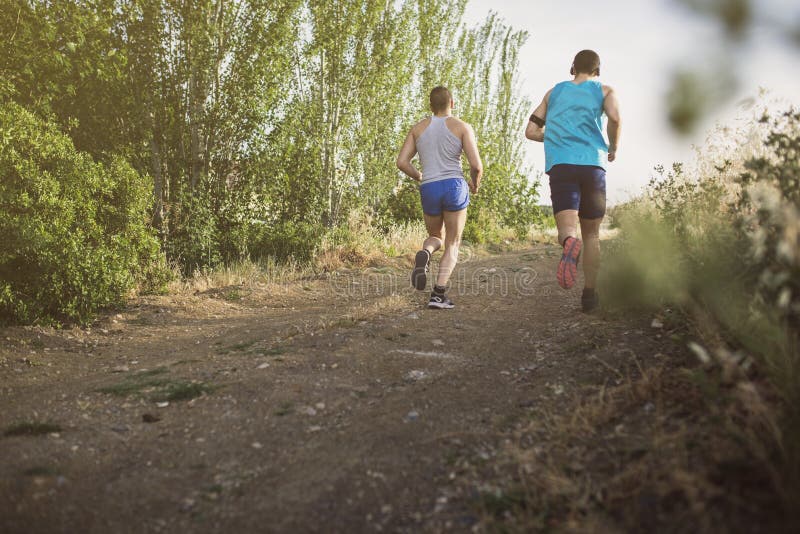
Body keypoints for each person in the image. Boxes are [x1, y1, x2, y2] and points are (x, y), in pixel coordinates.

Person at [525, 49, 621, 312]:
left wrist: (556, 136)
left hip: (562, 165)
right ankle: (589, 295)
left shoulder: (553, 92)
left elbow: (531, 131)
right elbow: (614, 118)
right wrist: (613, 146)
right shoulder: (605, 91)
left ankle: (569, 244)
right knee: (591, 234)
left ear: (572, 68)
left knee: (568, 231)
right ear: (597, 70)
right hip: (593, 165)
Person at [396, 86, 483, 309]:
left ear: (430, 106)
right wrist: (475, 184)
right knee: (452, 243)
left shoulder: (418, 129)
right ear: (451, 103)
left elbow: (402, 162)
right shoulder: (461, 127)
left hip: (429, 187)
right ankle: (438, 295)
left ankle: (425, 252)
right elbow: (476, 165)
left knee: (435, 236)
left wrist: (419, 176)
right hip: (454, 185)